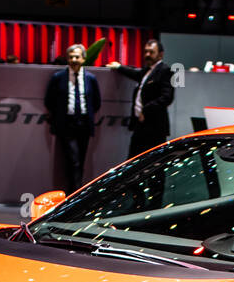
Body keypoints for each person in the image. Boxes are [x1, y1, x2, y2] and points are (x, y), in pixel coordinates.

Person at [44, 43, 100, 191]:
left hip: (84, 124)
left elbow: (97, 102)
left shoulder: (91, 78)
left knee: (80, 161)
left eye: (77, 56)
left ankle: (75, 192)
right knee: (73, 160)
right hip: (66, 125)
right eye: (71, 57)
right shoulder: (58, 77)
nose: (74, 59)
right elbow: (49, 100)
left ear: (83, 59)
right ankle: (73, 193)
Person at [108, 38, 174, 158]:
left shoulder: (165, 70)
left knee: (154, 162)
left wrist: (146, 110)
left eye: (151, 52)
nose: (147, 55)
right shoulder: (147, 71)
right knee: (134, 161)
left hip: (154, 127)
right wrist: (119, 67)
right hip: (141, 125)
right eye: (146, 52)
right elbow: (135, 74)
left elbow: (167, 97)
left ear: (160, 54)